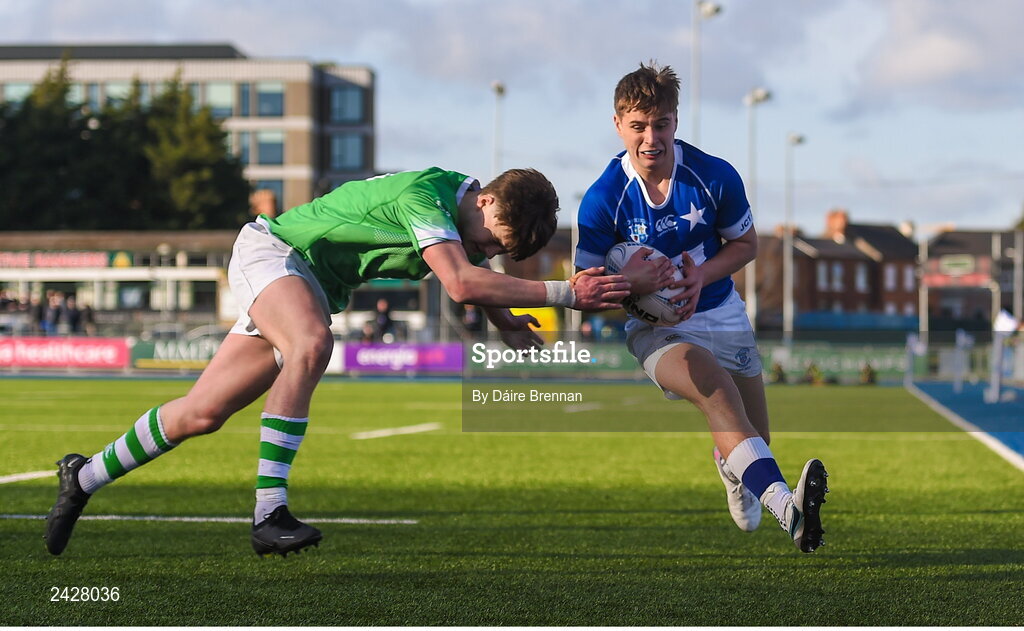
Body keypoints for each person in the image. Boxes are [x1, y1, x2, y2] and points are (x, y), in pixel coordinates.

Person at [45, 167, 630, 557]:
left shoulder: (462, 211)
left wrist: (506, 321)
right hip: (275, 253)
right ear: (482, 201)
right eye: (490, 239)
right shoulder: (426, 196)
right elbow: (459, 282)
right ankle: (269, 513)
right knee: (311, 344)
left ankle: (85, 474)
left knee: (201, 413)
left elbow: (472, 274)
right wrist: (566, 294)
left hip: (308, 284)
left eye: (498, 251)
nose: (487, 252)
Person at [575, 62, 829, 553]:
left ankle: (733, 471)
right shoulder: (602, 200)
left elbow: (746, 244)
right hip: (656, 334)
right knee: (713, 389)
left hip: (722, 311)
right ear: (617, 124)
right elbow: (586, 290)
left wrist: (701, 275)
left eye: (662, 123)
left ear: (675, 120)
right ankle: (790, 512)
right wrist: (630, 283)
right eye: (638, 125)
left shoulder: (713, 175)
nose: (652, 138)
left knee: (755, 437)